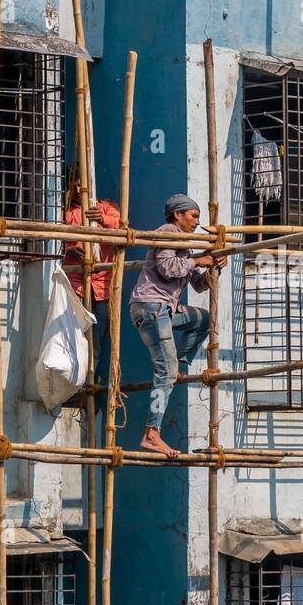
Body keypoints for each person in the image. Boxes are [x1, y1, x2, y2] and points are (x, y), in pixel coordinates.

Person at [128, 193, 227, 457]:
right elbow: (168, 269)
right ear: (178, 215)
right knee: (164, 371)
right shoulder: (168, 231)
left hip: (164, 311)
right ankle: (152, 433)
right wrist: (198, 260)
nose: (197, 222)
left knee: (202, 319)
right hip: (151, 306)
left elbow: (198, 284)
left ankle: (178, 363)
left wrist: (213, 266)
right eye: (193, 216)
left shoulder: (184, 245)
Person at [61, 163, 120, 412]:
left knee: (96, 342)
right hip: (76, 285)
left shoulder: (106, 208)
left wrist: (102, 220)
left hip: (102, 287)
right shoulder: (66, 212)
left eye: (81, 182)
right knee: (74, 338)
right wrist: (71, 250)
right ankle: (73, 389)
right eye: (74, 182)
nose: (77, 187)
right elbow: (60, 241)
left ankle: (90, 392)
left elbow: (121, 230)